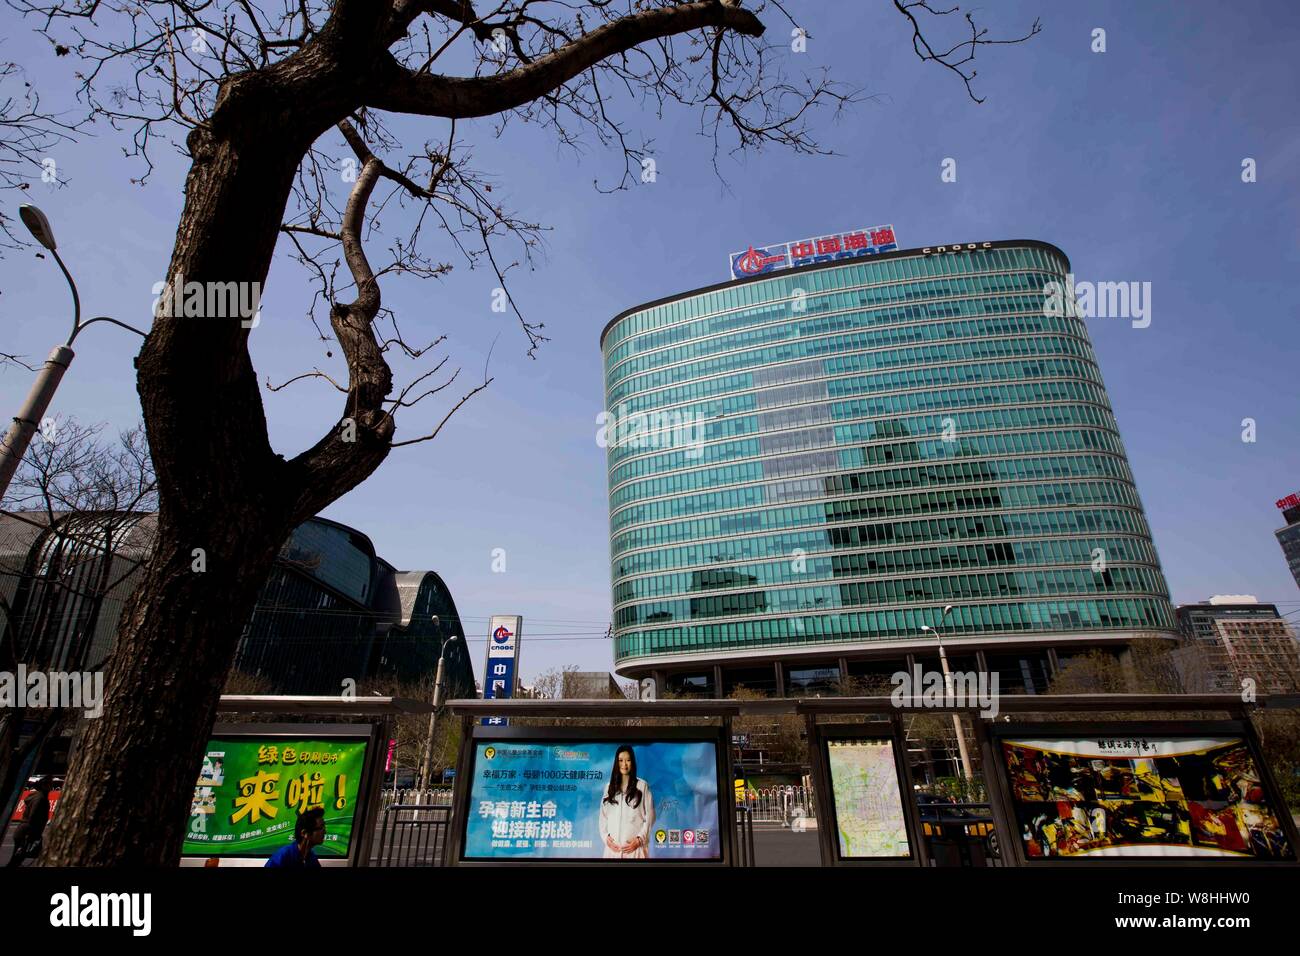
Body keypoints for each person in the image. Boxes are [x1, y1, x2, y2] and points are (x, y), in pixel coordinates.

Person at [599, 746, 654, 859]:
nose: (624, 764)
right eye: (621, 760)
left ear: (632, 762)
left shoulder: (642, 786)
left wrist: (640, 839)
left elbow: (650, 816)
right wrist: (606, 838)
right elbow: (603, 817)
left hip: (635, 850)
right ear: (616, 762)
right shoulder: (609, 788)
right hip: (612, 851)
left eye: (628, 760)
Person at [6, 777, 53, 867]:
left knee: (17, 858)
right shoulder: (41, 798)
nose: (50, 787)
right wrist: (34, 833)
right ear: (44, 786)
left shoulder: (35, 796)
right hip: (27, 831)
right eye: (49, 785)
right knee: (17, 858)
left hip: (22, 829)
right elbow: (34, 815)